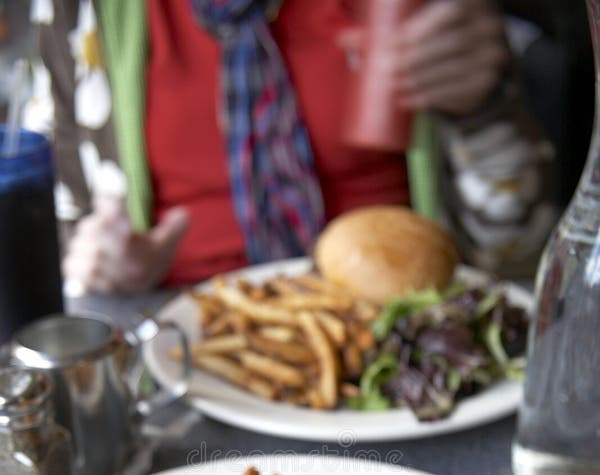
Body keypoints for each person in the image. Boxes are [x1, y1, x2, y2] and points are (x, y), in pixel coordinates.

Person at [26, 0, 555, 296]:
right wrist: (107, 265)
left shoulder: (411, 11)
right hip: (181, 348)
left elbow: (524, 248)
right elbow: (60, 246)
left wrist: (481, 111)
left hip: (405, 329)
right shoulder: (80, 13)